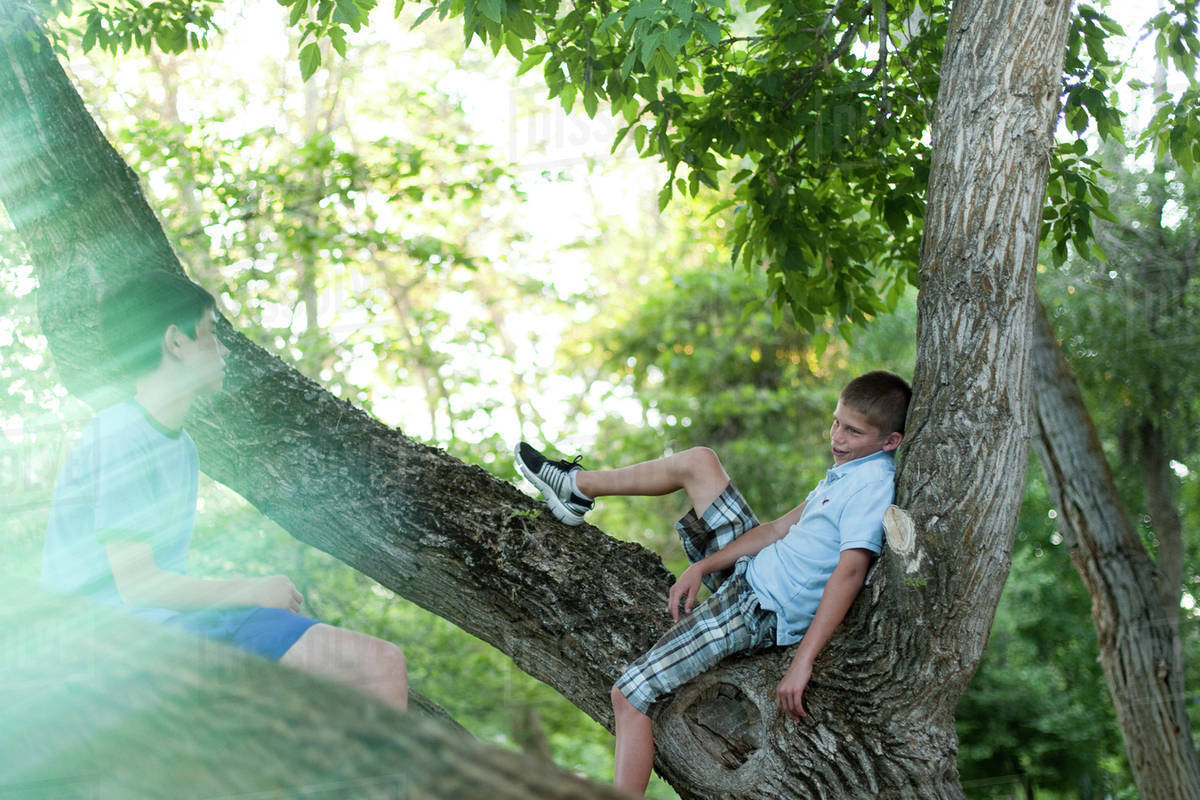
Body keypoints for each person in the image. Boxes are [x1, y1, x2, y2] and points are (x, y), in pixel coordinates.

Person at [514, 370, 911, 795]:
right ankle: (577, 487)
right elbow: (777, 529)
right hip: (752, 571)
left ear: (890, 442)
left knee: (629, 696)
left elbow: (849, 573)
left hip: (756, 609)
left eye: (853, 431)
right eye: (836, 422)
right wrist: (703, 567)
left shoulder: (871, 484)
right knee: (699, 461)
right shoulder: (846, 472)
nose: (837, 437)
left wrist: (803, 661)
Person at [42, 270, 408, 711]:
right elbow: (138, 587)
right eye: (211, 333)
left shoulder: (181, 447)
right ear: (175, 342)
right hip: (112, 642)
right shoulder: (121, 436)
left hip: (158, 629)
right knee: (379, 664)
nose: (222, 349)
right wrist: (250, 591)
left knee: (351, 678)